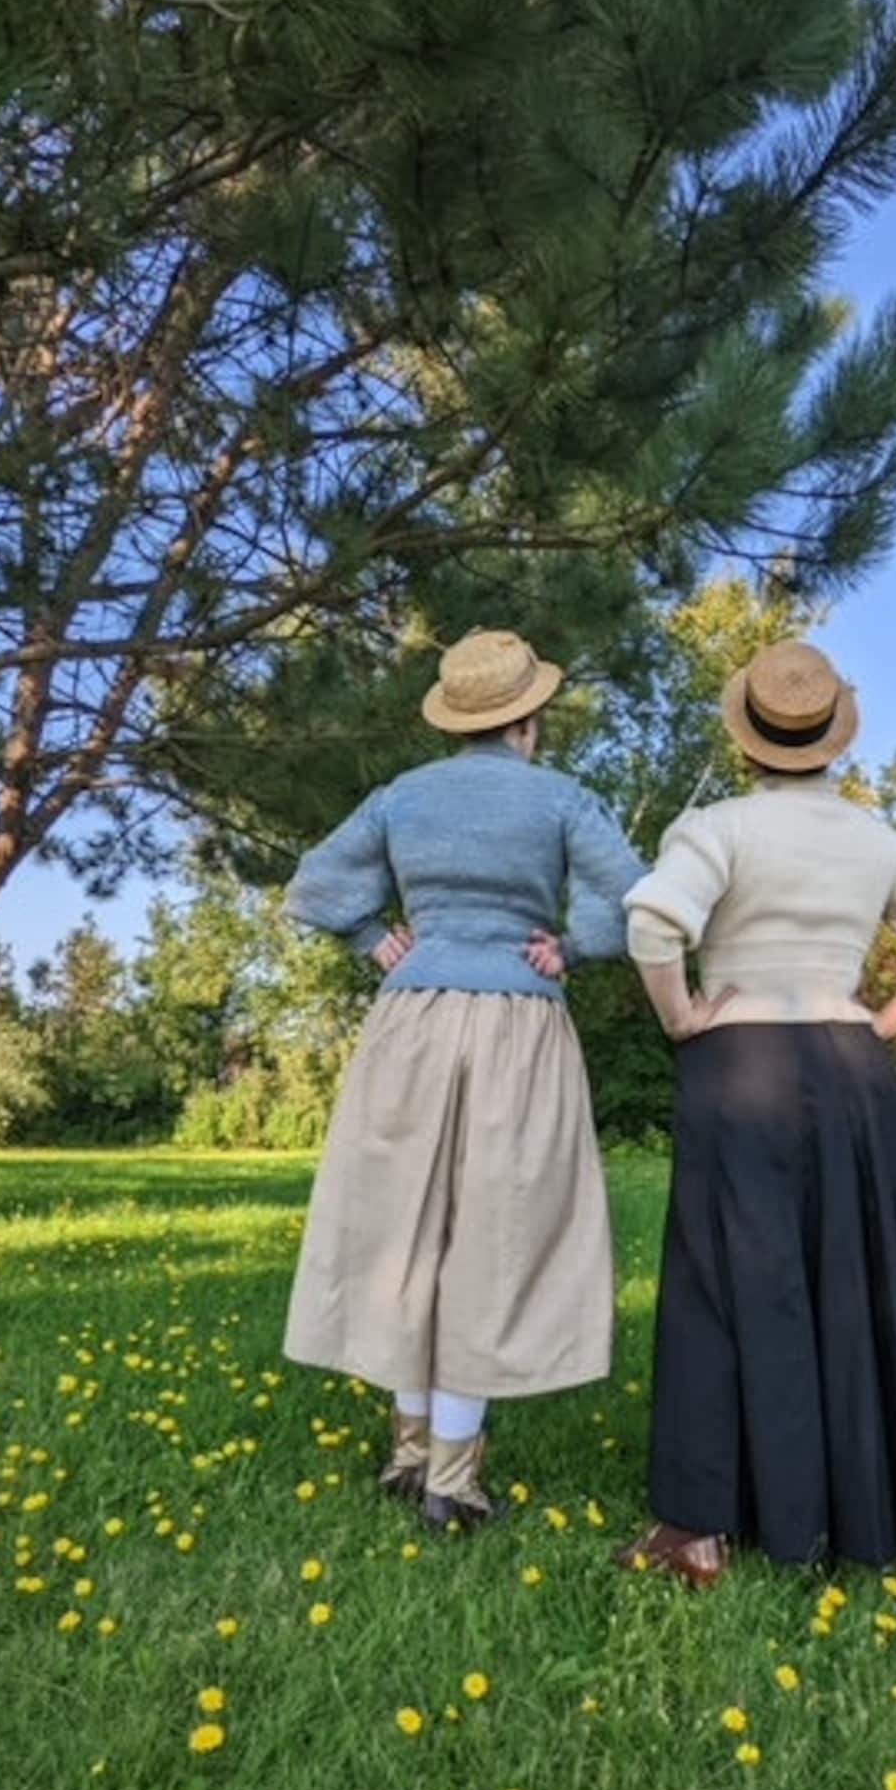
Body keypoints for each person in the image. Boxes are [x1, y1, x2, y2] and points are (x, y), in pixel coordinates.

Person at [617, 639, 896, 1586]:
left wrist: (680, 1018)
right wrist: (887, 1020)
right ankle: (859, 1506)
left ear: (748, 739)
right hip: (849, 1062)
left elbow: (653, 920)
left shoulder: (717, 829)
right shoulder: (882, 840)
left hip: (737, 1056)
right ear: (835, 742)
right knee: (853, 1275)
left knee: (722, 1283)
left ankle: (699, 1530)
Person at [282, 626, 644, 1530]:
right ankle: (452, 1476)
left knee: (406, 1229)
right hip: (519, 1026)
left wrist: (375, 936)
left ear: (457, 720)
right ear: (532, 717)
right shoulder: (563, 798)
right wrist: (576, 942)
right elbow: (641, 901)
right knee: (493, 1234)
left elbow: (312, 886)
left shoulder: (402, 798)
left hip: (412, 1023)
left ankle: (408, 1455)